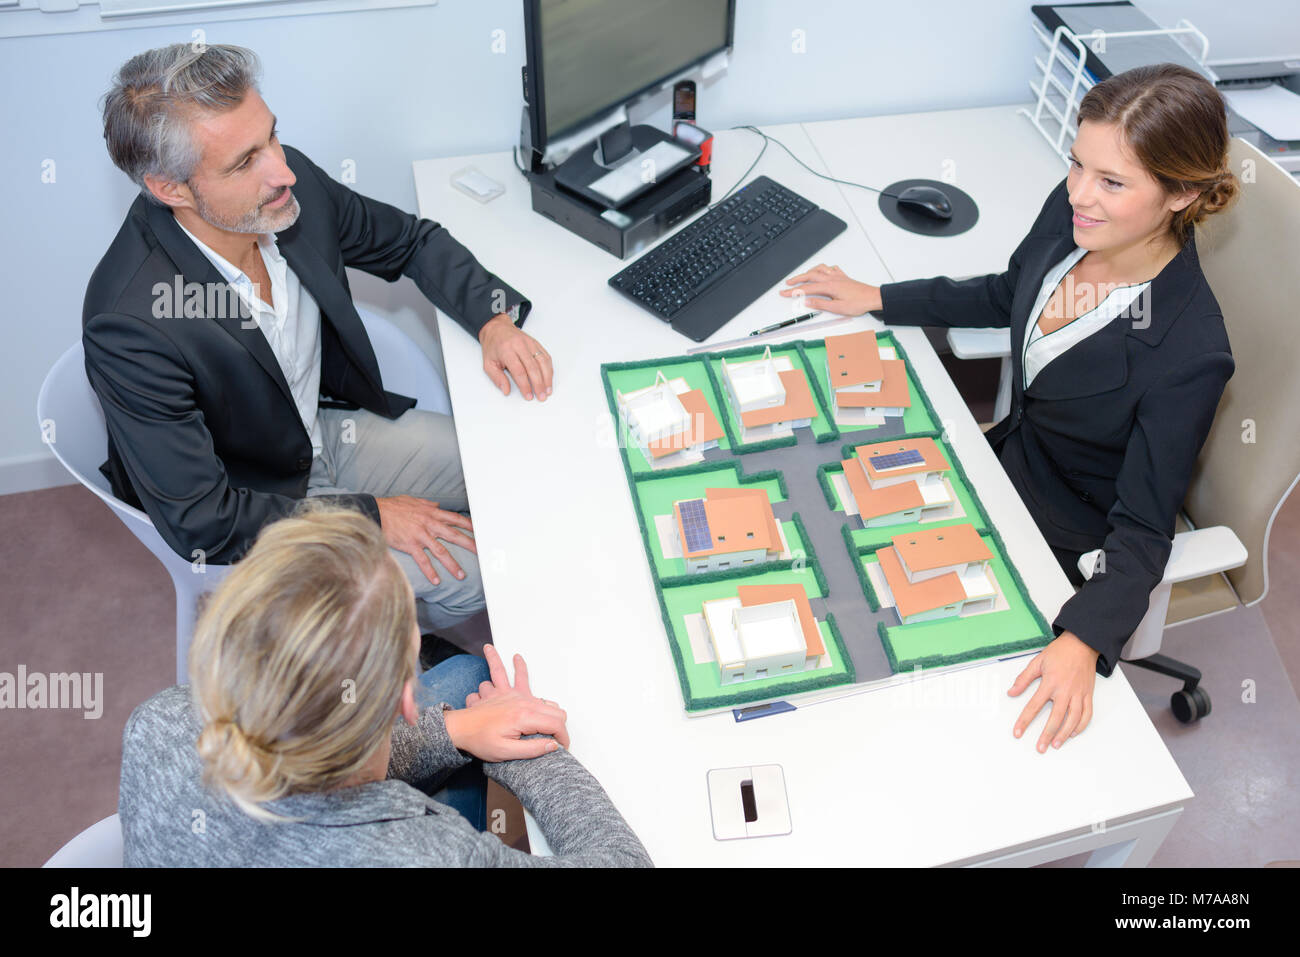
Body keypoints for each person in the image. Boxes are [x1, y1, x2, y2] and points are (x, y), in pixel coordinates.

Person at [780, 64, 1237, 752]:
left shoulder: (1188, 350)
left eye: (1112, 181)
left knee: (903, 693)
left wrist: (1083, 636)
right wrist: (879, 295)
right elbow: (1006, 291)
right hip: (996, 462)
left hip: (1061, 539)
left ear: (1182, 194)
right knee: (817, 532)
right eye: (1077, 164)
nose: (1079, 194)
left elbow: (1144, 529)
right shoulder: (1078, 210)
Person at [84, 43, 552, 633]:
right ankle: (384, 677)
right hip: (250, 502)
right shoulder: (129, 325)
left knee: (508, 455)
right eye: (243, 162)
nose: (282, 171)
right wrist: (372, 516)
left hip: (320, 435)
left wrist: (493, 319)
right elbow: (205, 521)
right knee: (473, 579)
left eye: (272, 138)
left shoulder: (281, 190)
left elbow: (411, 241)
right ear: (170, 189)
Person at [118, 503, 653, 866]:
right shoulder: (425, 853)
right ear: (405, 697)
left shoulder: (158, 721)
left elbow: (313, 765)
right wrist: (531, 750)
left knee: (468, 678)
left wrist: (458, 730)